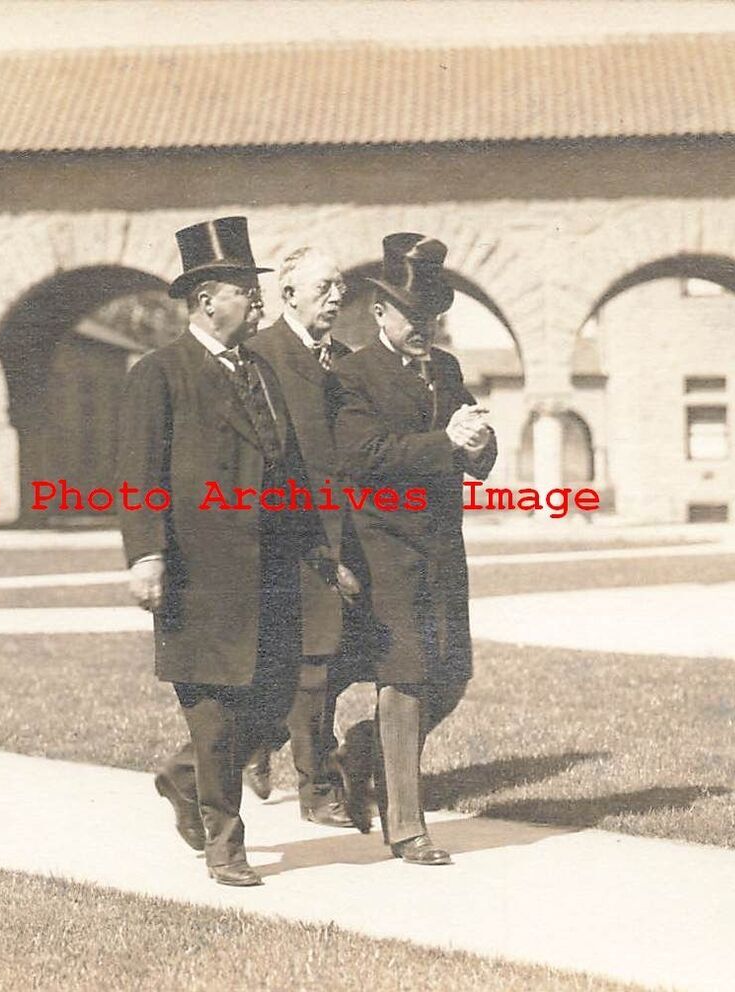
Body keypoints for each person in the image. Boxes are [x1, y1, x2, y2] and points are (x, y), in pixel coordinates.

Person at [117, 216, 325, 887]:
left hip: (268, 570)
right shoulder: (160, 373)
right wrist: (146, 555)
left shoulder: (260, 369)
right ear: (207, 299)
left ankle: (183, 780)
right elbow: (139, 473)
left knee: (274, 699)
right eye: (244, 288)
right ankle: (224, 844)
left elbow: (286, 463)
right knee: (213, 712)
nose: (256, 300)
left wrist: (319, 551)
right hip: (198, 576)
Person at [329, 232, 497, 866]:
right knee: (405, 678)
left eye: (432, 317)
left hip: (441, 549)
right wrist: (446, 445)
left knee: (451, 675)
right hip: (385, 547)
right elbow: (363, 458)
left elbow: (468, 447)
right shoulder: (352, 376)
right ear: (379, 313)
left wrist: (479, 447)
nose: (425, 327)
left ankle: (362, 752)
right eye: (412, 316)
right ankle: (406, 828)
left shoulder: (446, 370)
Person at [242, 247, 365, 828]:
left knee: (330, 663)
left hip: (346, 532)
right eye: (324, 286)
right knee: (306, 665)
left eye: (340, 285)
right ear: (289, 295)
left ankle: (268, 739)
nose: (336, 296)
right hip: (288, 536)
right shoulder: (259, 355)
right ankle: (316, 787)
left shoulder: (343, 360)